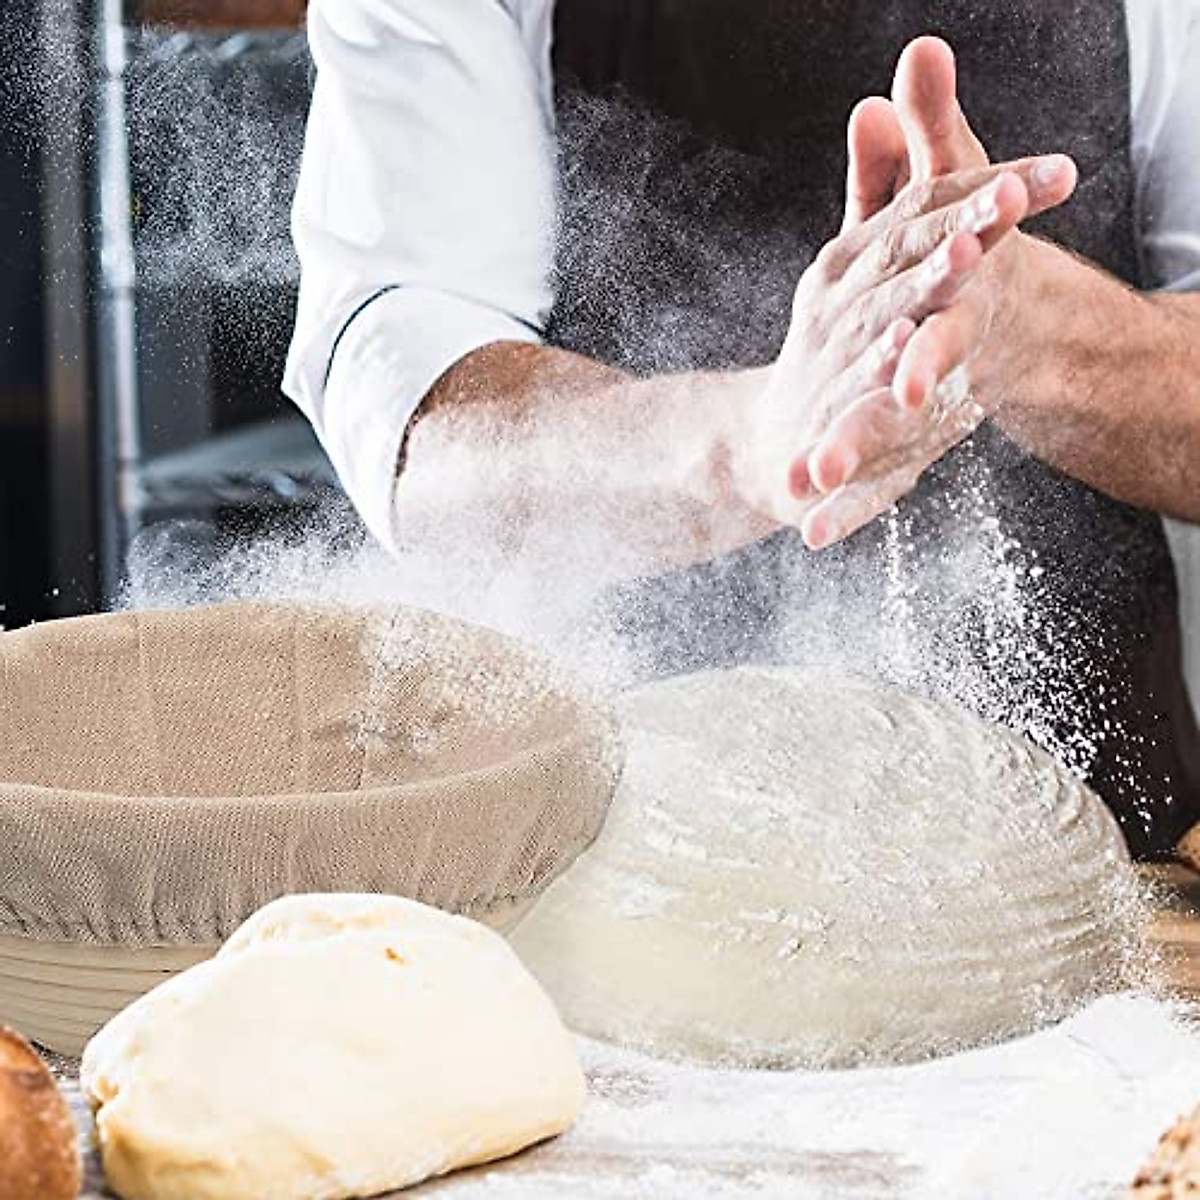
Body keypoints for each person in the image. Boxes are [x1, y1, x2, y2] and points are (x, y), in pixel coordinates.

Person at [284, 0, 1200, 859]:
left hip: (1111, 887)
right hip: (620, 862)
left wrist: (1039, 338)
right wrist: (751, 442)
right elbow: (427, 432)